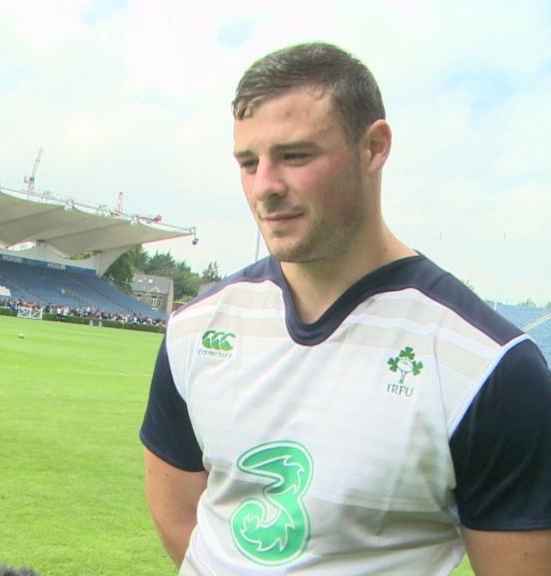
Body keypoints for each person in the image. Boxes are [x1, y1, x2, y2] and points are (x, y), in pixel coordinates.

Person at [140, 42, 551, 575]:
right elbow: (178, 517)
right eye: (248, 162)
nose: (265, 187)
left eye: (295, 156)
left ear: (374, 148)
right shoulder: (195, 329)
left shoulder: (487, 366)